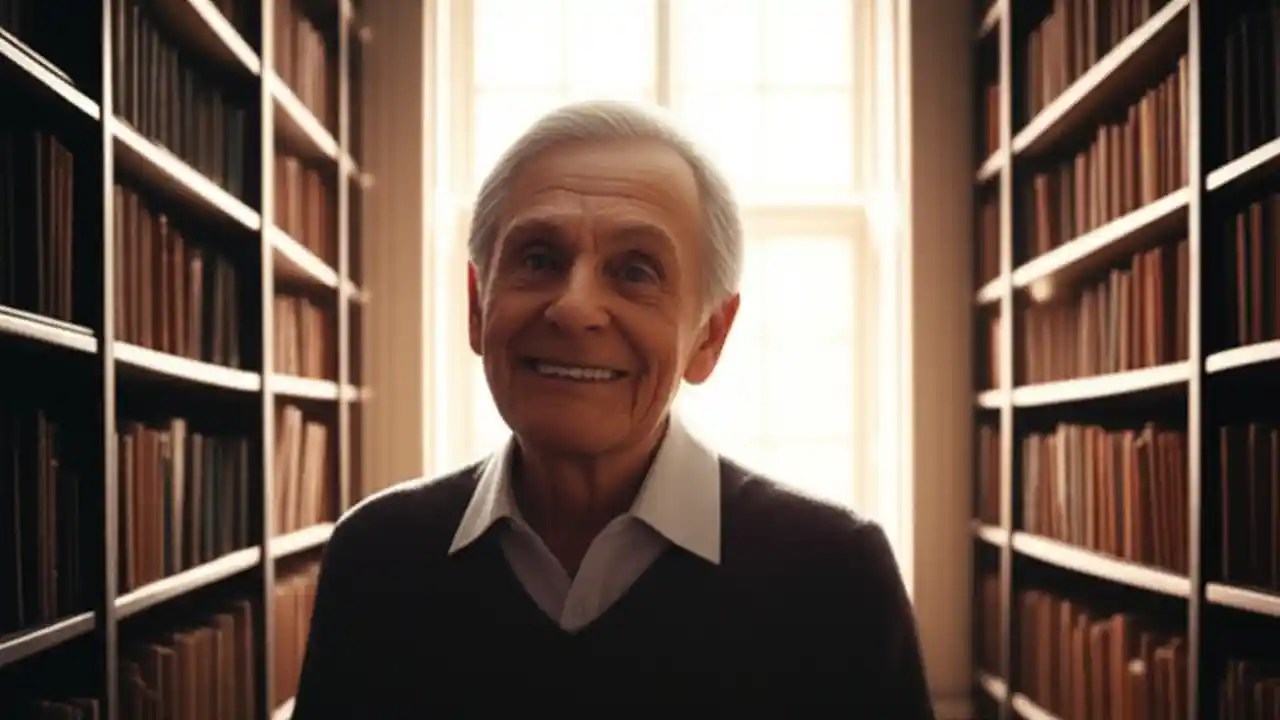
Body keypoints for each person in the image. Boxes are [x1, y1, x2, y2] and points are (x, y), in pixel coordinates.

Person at [291, 100, 933, 717]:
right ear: (477, 304)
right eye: (538, 258)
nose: (574, 308)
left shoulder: (837, 578)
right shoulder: (374, 559)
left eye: (636, 271)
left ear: (709, 335)